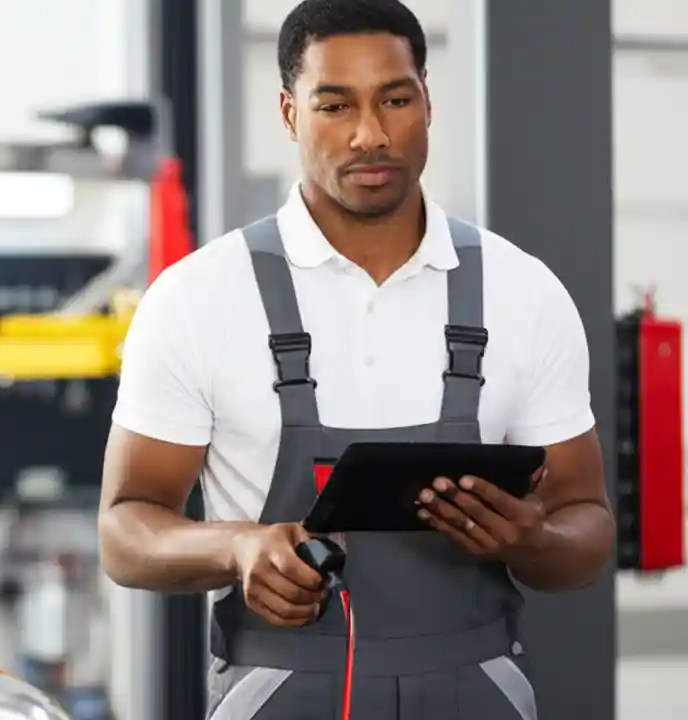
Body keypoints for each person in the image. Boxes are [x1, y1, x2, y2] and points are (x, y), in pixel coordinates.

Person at [96, 0, 614, 718]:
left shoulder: (522, 292)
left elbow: (587, 528)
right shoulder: (198, 297)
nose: (371, 134)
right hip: (279, 692)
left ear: (427, 100)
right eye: (335, 105)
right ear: (289, 113)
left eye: (395, 99)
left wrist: (536, 539)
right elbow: (125, 530)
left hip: (479, 690)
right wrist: (238, 549)